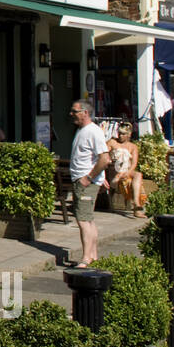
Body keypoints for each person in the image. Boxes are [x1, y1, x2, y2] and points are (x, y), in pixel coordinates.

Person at [68, 99, 111, 267]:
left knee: (83, 220)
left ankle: (86, 258)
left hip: (85, 181)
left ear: (85, 113)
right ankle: (92, 255)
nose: (71, 114)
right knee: (88, 219)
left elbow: (104, 158)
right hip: (83, 180)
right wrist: (101, 177)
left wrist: (90, 178)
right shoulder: (82, 130)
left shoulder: (94, 131)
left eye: (75, 111)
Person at [105, 122, 146, 218]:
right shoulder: (112, 142)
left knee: (138, 175)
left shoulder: (133, 146)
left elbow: (134, 163)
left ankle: (136, 204)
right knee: (121, 173)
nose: (120, 136)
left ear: (129, 135)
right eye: (119, 133)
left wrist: (127, 172)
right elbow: (104, 155)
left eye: (123, 134)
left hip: (126, 170)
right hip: (114, 170)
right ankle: (136, 205)